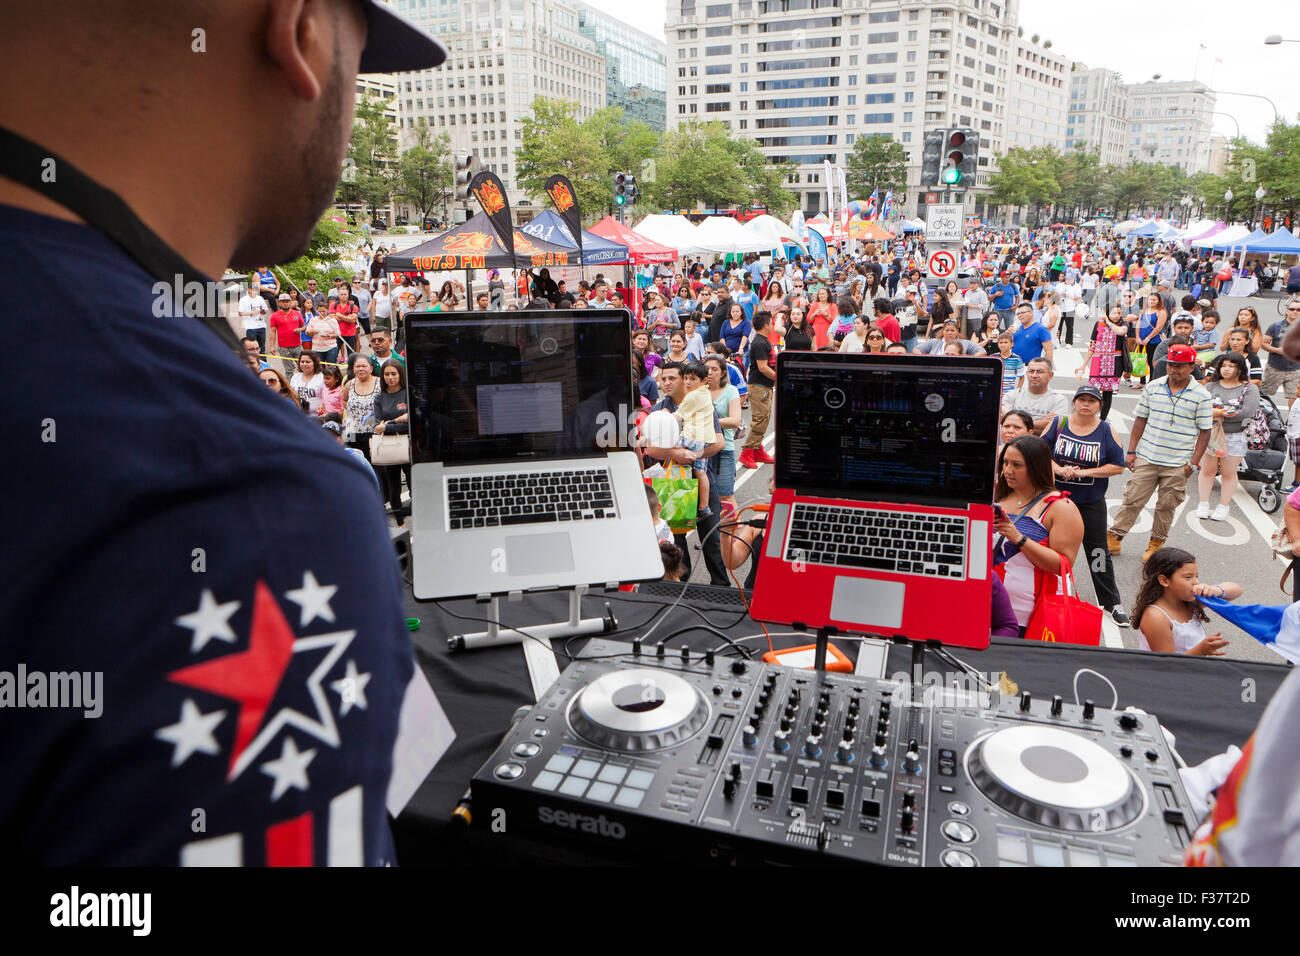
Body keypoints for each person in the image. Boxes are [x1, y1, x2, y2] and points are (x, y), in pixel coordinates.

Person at [1107, 345, 1213, 562]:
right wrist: (1132, 451)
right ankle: (1114, 536)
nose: (1174, 370)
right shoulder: (1153, 387)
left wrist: (1193, 463)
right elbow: (1140, 420)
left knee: (1166, 505)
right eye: (1171, 365)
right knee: (1132, 499)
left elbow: (1205, 432)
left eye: (1180, 366)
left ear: (1192, 367)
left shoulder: (1202, 396)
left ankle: (1156, 542)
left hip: (1178, 462)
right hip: (1147, 456)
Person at [1042, 385, 1128, 626]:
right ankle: (1046, 596)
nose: (1086, 404)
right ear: (1074, 402)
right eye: (1082, 399)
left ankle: (1111, 601)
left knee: (1098, 551)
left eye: (1092, 400)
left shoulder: (1106, 430)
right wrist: (1058, 469)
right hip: (1056, 501)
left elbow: (1118, 466)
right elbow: (1039, 452)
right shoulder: (1060, 423)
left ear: (1100, 405)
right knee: (1048, 549)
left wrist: (1083, 473)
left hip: (1090, 502)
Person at [991, 436, 1085, 633]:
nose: (1008, 470)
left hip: (1031, 617)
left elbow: (1062, 565)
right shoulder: (996, 496)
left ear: (1036, 467)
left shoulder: (1061, 507)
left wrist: (1019, 538)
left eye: (1017, 465)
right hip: (984, 606)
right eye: (1005, 462)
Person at [646, 363, 728, 587]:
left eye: (672, 378)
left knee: (711, 539)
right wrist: (675, 454)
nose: (666, 383)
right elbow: (651, 449)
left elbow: (718, 442)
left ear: (686, 380)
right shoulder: (658, 409)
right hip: (673, 484)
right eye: (663, 379)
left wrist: (692, 455)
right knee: (678, 542)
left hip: (702, 480)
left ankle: (721, 586)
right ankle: (682, 588)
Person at [1132, 548, 1236, 656]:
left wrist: (1215, 590)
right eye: (1188, 577)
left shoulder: (1189, 602)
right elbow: (1166, 665)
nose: (1196, 582)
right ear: (1164, 580)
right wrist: (1200, 651)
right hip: (1177, 670)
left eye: (1196, 576)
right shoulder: (1156, 617)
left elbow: (1236, 590)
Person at [1196, 351, 1259, 521]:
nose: (1227, 369)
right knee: (1207, 469)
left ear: (1240, 369)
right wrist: (1220, 413)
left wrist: (1217, 413)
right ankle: (1203, 503)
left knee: (1228, 472)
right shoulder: (1211, 386)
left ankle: (1223, 506)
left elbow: (1247, 412)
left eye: (1232, 366)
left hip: (1235, 435)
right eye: (1224, 365)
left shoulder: (1249, 388)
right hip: (1212, 434)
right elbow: (1199, 408)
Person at [670, 361, 716, 519]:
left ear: (704, 381)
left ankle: (683, 502)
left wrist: (661, 419)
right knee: (701, 472)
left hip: (691, 437)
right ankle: (704, 507)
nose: (688, 382)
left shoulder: (693, 396)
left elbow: (677, 416)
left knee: (671, 451)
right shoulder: (705, 392)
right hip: (704, 439)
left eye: (693, 379)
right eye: (686, 378)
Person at [373, 360, 410, 524]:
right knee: (393, 485)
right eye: (386, 374)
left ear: (400, 375)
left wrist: (389, 424)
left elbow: (410, 424)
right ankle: (399, 521)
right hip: (388, 447)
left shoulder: (408, 393)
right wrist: (397, 422)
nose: (390, 377)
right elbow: (377, 426)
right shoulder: (380, 397)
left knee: (413, 482)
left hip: (407, 444)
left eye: (393, 374)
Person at [739, 312, 776, 470]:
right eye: (771, 323)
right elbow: (762, 367)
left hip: (765, 386)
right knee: (760, 419)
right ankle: (746, 452)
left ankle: (757, 449)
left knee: (765, 419)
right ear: (766, 325)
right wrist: (778, 377)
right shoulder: (760, 343)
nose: (772, 326)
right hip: (759, 386)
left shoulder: (764, 341)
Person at [705, 354, 742, 516]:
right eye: (707, 369)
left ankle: (734, 536)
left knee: (726, 496)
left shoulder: (730, 391)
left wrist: (708, 423)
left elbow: (735, 420)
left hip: (723, 450)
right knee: (705, 498)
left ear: (722, 373)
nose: (710, 372)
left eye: (715, 369)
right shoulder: (699, 390)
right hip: (702, 450)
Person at [1084, 304, 1131, 420]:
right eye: (1114, 313)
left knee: (1108, 393)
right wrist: (1084, 364)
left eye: (1119, 313)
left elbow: (1120, 332)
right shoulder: (1098, 324)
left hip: (1115, 363)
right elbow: (1092, 345)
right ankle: (1090, 418)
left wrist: (1109, 322)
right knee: (1093, 392)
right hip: (1098, 362)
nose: (1117, 316)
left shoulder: (1123, 323)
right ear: (1108, 313)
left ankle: (1102, 420)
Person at [1001, 357, 1068, 433]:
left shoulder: (1059, 400)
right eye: (1031, 371)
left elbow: (1055, 428)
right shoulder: (1011, 396)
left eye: (1040, 372)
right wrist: (1041, 422)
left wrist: (1016, 423)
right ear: (1026, 374)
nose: (1034, 375)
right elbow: (1003, 422)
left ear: (1050, 375)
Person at [342, 351, 382, 463]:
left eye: (364, 366)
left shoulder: (380, 383)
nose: (361, 369)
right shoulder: (349, 384)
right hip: (352, 430)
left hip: (373, 431)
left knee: (374, 462)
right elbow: (344, 400)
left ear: (371, 368)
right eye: (357, 366)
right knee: (355, 461)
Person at [1262, 297, 1300, 412]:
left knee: (1294, 397)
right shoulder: (1276, 326)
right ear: (1287, 310)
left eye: (1298, 310)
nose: (1295, 311)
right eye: (1292, 309)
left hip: (1295, 369)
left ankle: (1292, 421)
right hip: (1275, 367)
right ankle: (1264, 417)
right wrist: (1276, 350)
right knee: (1264, 395)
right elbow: (1263, 343)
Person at [1010, 302, 1053, 366]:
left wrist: (1047, 368)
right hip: (1014, 365)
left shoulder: (1041, 329)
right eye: (1018, 313)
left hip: (1031, 366)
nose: (1020, 315)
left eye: (1023, 312)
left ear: (1031, 313)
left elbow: (1049, 351)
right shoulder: (1016, 328)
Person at [289, 351, 327, 418]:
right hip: (298, 415)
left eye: (308, 362)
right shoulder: (295, 377)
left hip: (317, 417)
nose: (304, 364)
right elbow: (290, 395)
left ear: (315, 363)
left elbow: (327, 397)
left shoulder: (321, 377)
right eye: (302, 361)